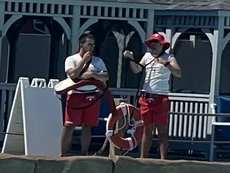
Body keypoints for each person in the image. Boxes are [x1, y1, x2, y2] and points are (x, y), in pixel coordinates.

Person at [122, 32, 182, 160]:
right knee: (147, 130)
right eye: (152, 43)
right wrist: (131, 59)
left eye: (156, 43)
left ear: (162, 45)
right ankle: (143, 158)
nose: (154, 45)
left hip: (161, 97)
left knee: (162, 131)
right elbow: (137, 69)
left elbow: (178, 73)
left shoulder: (169, 57)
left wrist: (166, 64)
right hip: (146, 96)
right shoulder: (147, 56)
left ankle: (163, 159)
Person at [58, 33, 110, 157]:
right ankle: (63, 154)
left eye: (93, 45)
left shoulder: (98, 61)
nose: (91, 47)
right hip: (76, 94)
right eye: (89, 44)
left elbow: (106, 76)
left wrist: (93, 75)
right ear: (81, 44)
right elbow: (72, 74)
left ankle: (84, 154)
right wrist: (83, 61)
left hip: (92, 95)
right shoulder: (71, 59)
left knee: (88, 126)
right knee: (69, 126)